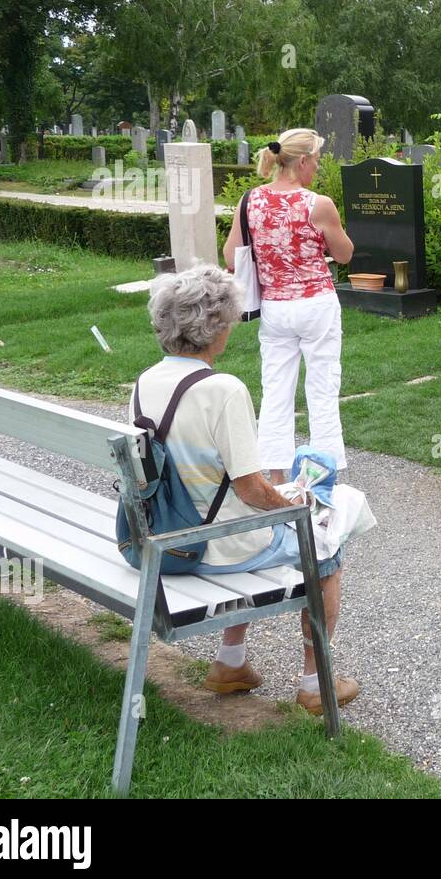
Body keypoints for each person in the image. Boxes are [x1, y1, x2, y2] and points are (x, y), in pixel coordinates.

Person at [138, 264, 358, 713]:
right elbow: (251, 490)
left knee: (252, 518)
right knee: (327, 548)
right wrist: (296, 505)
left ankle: (230, 662)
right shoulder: (223, 390)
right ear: (216, 326)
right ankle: (317, 685)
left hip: (166, 537)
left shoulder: (144, 381)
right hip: (213, 547)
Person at [224, 128, 354, 484]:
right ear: (301, 161)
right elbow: (344, 254)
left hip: (275, 308)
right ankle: (321, 476)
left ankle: (277, 479)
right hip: (316, 304)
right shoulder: (318, 204)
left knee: (276, 391)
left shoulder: (250, 200)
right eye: (316, 160)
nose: (318, 167)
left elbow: (229, 256)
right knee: (322, 389)